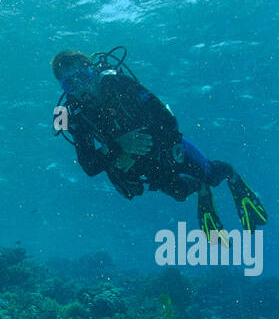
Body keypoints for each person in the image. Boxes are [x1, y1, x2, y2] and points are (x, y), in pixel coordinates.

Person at [52, 48, 267, 240]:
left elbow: (168, 121)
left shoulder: (119, 85)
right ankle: (201, 190)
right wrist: (120, 148)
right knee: (180, 194)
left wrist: (128, 149)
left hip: (166, 146)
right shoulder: (76, 116)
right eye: (71, 84)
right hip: (141, 163)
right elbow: (89, 167)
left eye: (84, 77)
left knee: (211, 175)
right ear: (64, 89)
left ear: (94, 71)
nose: (82, 89)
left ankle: (233, 178)